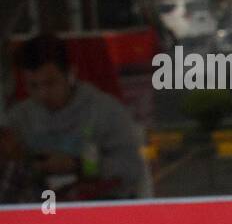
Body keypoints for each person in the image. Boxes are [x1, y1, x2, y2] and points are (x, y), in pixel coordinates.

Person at [6, 34, 145, 200]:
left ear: (71, 73)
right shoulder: (18, 118)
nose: (42, 94)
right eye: (33, 86)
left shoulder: (105, 111)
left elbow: (131, 168)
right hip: (39, 210)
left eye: (50, 83)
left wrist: (78, 165)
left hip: (99, 209)